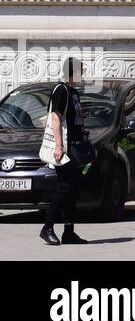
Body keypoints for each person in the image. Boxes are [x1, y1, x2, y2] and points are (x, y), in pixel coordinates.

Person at [41, 56, 91, 246]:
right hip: (65, 149)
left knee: (72, 190)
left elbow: (73, 118)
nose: (83, 75)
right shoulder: (61, 91)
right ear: (73, 72)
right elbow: (55, 118)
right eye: (81, 71)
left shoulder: (73, 92)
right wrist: (59, 146)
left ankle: (68, 232)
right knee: (64, 188)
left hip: (76, 148)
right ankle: (47, 227)